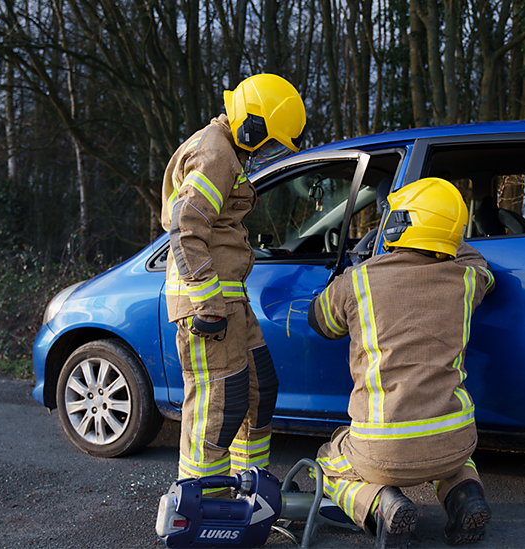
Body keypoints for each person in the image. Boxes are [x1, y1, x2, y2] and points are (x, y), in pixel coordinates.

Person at [307, 177, 495, 548]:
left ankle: (382, 505)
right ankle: (466, 497)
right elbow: (477, 260)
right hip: (455, 441)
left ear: (399, 223)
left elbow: (321, 322)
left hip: (383, 450)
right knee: (454, 462)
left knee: (330, 459)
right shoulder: (468, 278)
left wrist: (361, 268)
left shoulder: (358, 281)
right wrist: (448, 237)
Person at [161, 74, 306, 496]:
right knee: (218, 404)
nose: (267, 151)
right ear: (252, 126)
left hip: (228, 298)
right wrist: (206, 303)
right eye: (269, 141)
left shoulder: (226, 150)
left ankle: (251, 485)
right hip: (207, 302)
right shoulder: (215, 154)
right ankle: (202, 497)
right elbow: (185, 225)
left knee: (260, 388)